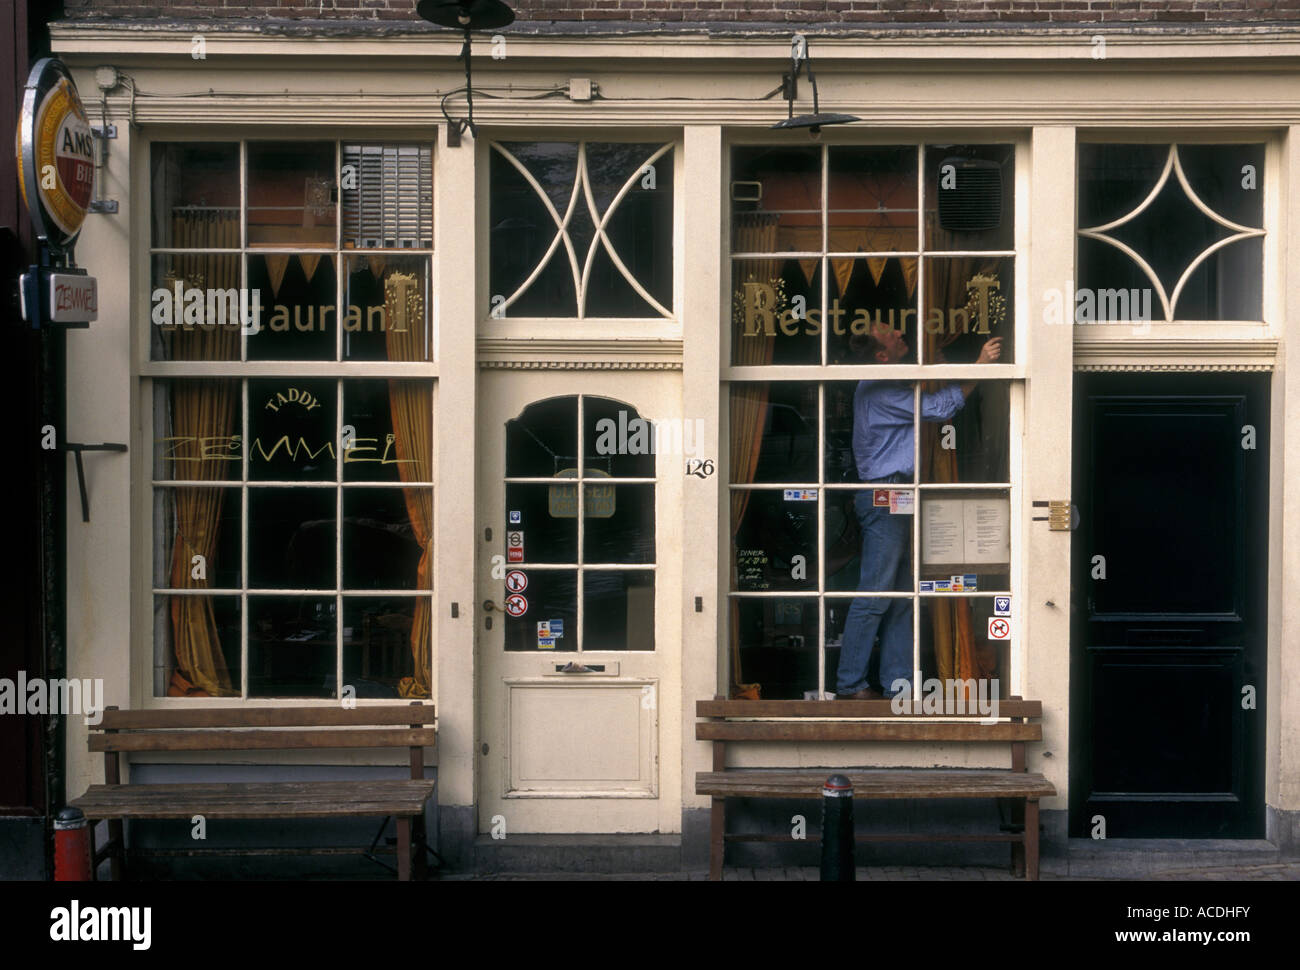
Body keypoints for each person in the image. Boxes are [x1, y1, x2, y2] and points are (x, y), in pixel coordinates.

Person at [835, 323, 1002, 700]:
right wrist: (980, 364)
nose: (897, 330)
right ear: (882, 355)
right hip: (887, 493)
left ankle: (899, 686)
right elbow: (939, 408)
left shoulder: (884, 385)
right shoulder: (881, 390)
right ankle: (850, 685)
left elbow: (928, 402)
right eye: (888, 332)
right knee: (877, 594)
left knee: (900, 594)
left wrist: (939, 371)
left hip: (895, 494)